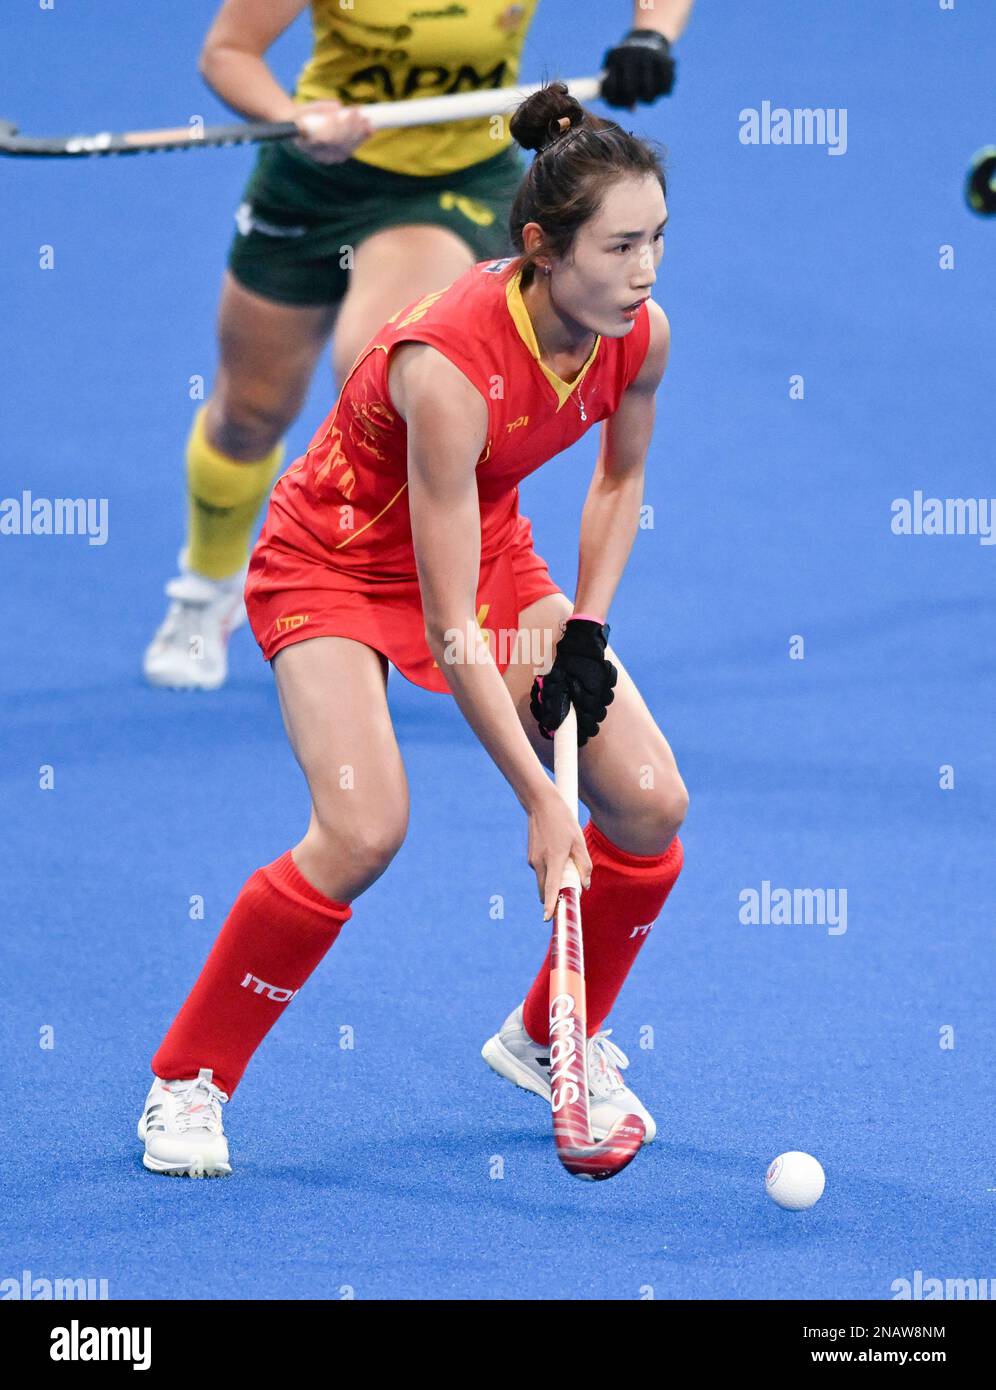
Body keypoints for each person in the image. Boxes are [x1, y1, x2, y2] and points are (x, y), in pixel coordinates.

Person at [138, 81, 688, 1178]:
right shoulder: (448, 369)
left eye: (658, 240)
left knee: (648, 801)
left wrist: (586, 628)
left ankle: (546, 1037)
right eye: (621, 246)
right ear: (539, 246)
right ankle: (189, 1078)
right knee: (363, 831)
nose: (646, 271)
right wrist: (539, 799)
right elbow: (448, 632)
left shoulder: (638, 333)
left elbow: (620, 481)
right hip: (334, 562)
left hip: (484, 550)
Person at [141, 0, 694, 691]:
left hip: (457, 183)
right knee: (248, 413)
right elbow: (227, 51)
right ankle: (207, 584)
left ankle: (395, 598)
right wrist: (292, 113)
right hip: (320, 179)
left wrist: (652, 32)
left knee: (391, 370)